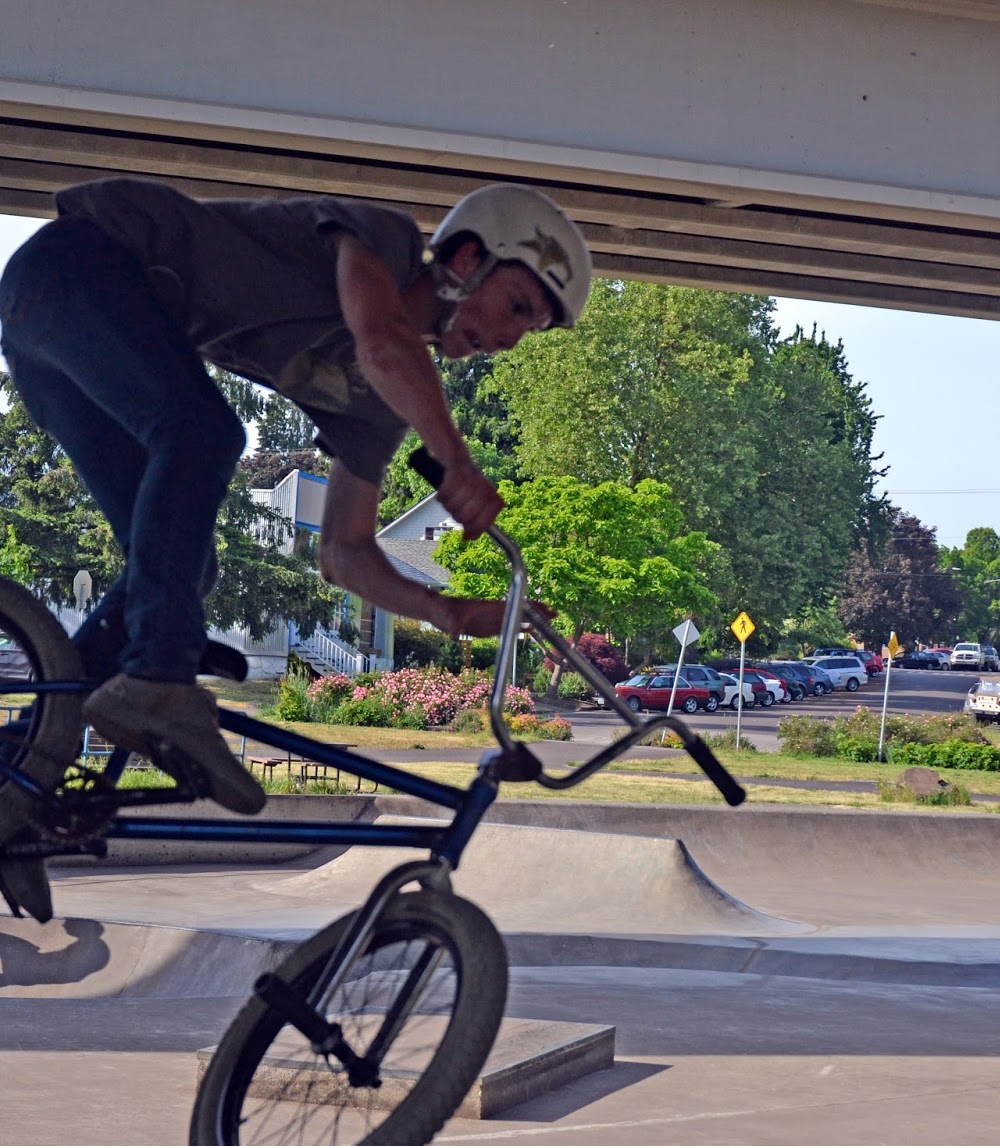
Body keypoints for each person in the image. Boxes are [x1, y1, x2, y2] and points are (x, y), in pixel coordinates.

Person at [0, 179, 592, 919]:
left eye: (530, 330)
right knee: (204, 433)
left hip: (55, 339)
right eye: (517, 307)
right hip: (74, 272)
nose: (509, 339)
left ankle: (17, 783)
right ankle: (157, 680)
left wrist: (445, 612)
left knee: (184, 568)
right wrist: (456, 461)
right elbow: (383, 341)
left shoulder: (378, 407)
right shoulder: (381, 239)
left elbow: (345, 553)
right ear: (469, 258)